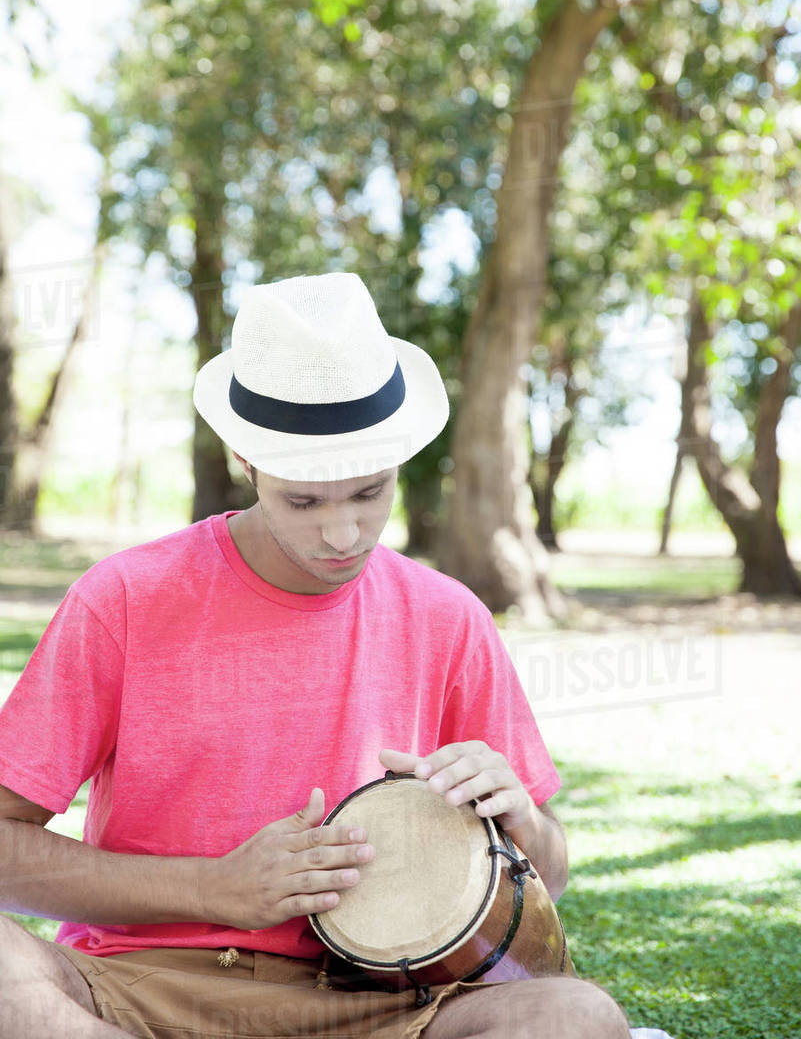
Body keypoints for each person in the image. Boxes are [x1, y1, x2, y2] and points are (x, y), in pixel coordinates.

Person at [0, 273, 629, 1039]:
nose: (343, 534)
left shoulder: (448, 616)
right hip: (133, 988)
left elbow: (551, 875)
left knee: (576, 1017)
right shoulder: (124, 598)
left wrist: (521, 818)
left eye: (369, 492)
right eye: (305, 501)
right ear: (245, 458)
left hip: (373, 1006)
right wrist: (214, 889)